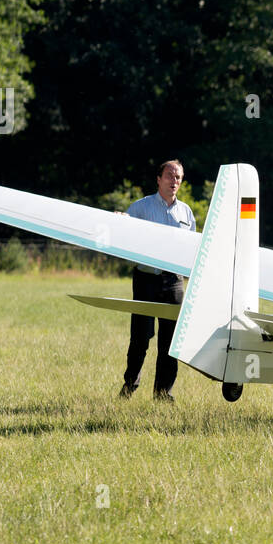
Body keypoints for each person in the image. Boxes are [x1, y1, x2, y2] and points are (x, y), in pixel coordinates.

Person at [118, 159, 195, 401]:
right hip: (146, 279)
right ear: (159, 179)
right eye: (170, 176)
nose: (175, 181)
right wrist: (119, 220)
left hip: (173, 282)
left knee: (170, 341)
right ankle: (130, 384)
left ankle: (163, 393)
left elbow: (192, 247)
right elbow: (124, 230)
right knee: (140, 337)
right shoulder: (141, 208)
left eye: (178, 178)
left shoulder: (186, 212)